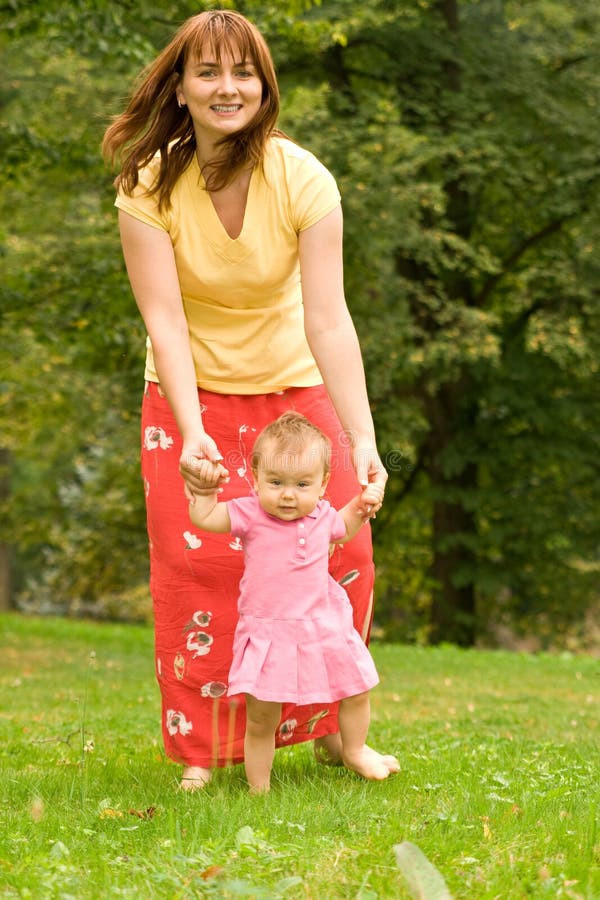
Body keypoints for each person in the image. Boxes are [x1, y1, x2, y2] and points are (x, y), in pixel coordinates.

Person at [102, 8, 398, 789]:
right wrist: (194, 432)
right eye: (209, 71)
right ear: (182, 86)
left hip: (295, 389)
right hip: (187, 395)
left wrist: (364, 439)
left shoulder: (303, 178)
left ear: (265, 88)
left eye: (244, 73)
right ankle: (204, 750)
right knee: (193, 562)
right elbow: (164, 320)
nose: (227, 87)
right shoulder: (147, 184)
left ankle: (339, 731)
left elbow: (329, 316)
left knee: (345, 556)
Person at [189, 412, 391, 792]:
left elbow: (344, 527)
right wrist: (203, 494)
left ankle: (356, 750)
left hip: (322, 625)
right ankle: (259, 787)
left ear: (323, 484)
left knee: (357, 688)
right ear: (255, 478)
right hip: (270, 631)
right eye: (276, 482)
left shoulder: (321, 515)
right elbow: (206, 517)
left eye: (302, 484)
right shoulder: (249, 513)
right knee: (262, 718)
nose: (287, 494)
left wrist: (364, 505)